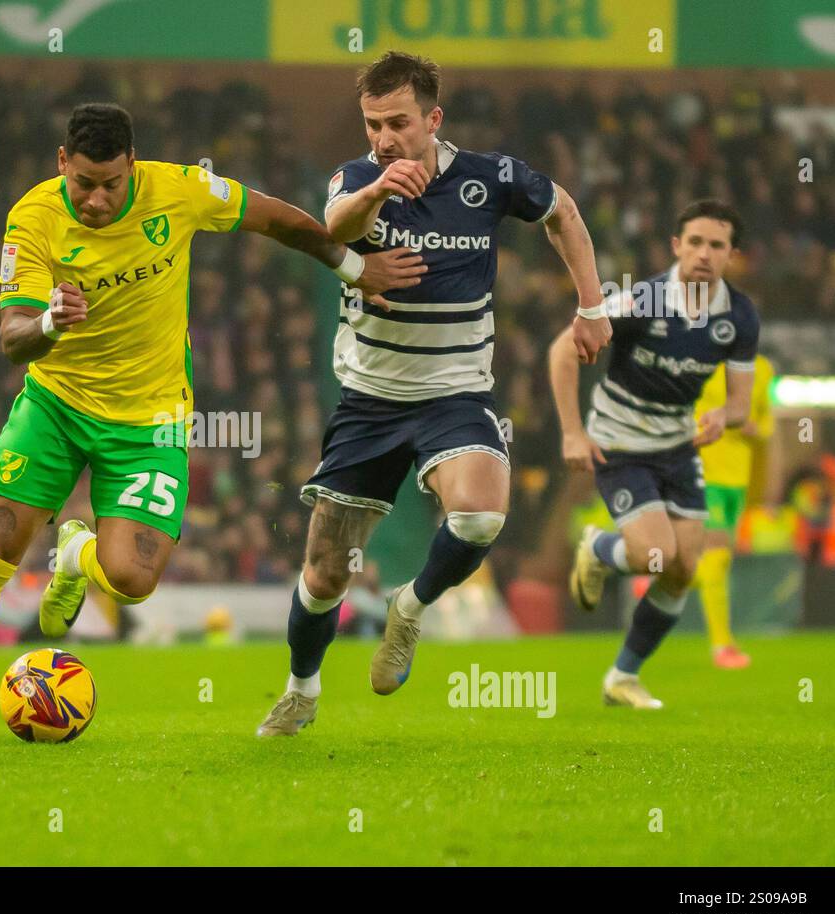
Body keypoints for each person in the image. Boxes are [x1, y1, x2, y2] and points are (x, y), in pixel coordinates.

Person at [0, 102, 425, 739]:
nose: (94, 199)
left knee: (132, 579)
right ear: (62, 163)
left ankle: (75, 555)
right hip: (56, 402)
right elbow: (13, 337)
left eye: (110, 184)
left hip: (151, 420)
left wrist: (354, 267)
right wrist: (46, 322)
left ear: (133, 168)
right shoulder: (33, 217)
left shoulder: (179, 190)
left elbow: (280, 221)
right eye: (82, 183)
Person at [257, 51, 609, 736]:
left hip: (455, 393)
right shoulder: (359, 178)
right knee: (326, 573)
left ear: (433, 119)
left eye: (398, 123)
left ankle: (410, 609)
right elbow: (334, 227)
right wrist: (380, 192)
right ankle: (301, 689)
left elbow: (562, 211)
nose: (383, 138)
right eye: (372, 124)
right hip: (368, 400)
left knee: (480, 516)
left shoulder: (490, 177)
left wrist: (591, 306)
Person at [550, 199, 760, 709]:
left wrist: (723, 418)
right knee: (654, 555)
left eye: (716, 245)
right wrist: (573, 434)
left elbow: (739, 404)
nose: (704, 254)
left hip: (677, 447)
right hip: (621, 445)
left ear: (732, 253)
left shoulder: (739, 316)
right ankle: (598, 549)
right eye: (695, 242)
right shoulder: (640, 301)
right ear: (676, 246)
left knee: (685, 566)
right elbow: (563, 349)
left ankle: (622, 677)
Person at [692, 354, 775, 668]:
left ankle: (666, 575)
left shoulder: (763, 369)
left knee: (719, 561)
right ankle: (722, 645)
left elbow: (767, 418)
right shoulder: (701, 360)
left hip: (739, 476)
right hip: (705, 467)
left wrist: (758, 429)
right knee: (717, 554)